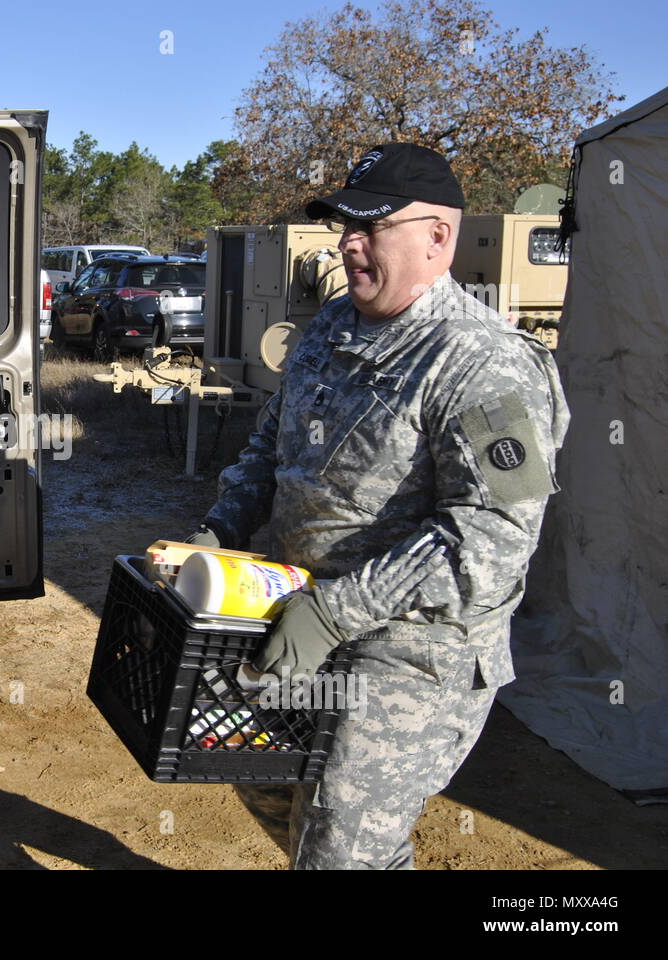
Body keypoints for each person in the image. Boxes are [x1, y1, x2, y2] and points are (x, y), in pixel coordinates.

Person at [187, 143, 569, 869]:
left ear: (437, 237)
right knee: (262, 781)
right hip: (299, 610)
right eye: (344, 226)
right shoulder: (330, 327)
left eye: (371, 226)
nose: (348, 243)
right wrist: (224, 522)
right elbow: (273, 444)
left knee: (338, 847)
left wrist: (338, 612)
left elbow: (491, 537)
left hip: (414, 648)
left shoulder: (486, 363)